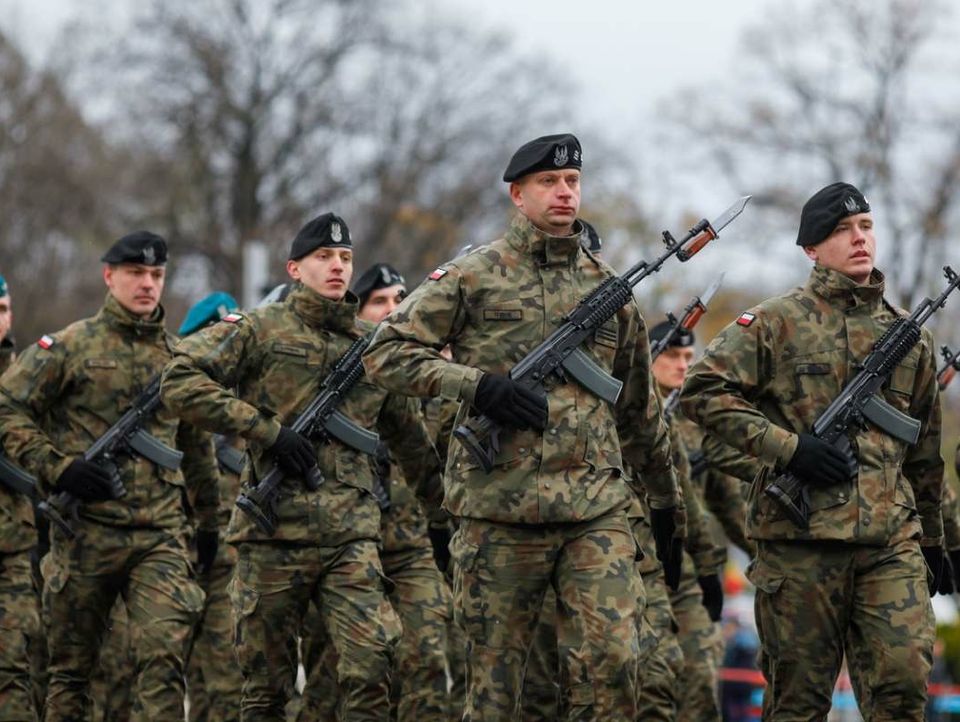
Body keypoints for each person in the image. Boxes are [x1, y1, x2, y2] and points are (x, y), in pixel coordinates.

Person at [363, 133, 682, 720]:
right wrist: (479, 386)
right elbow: (385, 354)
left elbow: (638, 411)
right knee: (496, 691)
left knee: (616, 664)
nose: (565, 193)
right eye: (549, 183)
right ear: (518, 194)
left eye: (573, 182)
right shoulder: (472, 276)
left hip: (594, 511)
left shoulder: (608, 291)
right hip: (497, 513)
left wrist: (666, 503)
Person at [161, 213, 442, 721]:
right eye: (323, 257)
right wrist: (265, 430)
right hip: (272, 535)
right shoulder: (258, 330)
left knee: (373, 666)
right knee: (266, 688)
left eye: (345, 258)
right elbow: (179, 378)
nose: (337, 266)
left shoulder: (373, 347)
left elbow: (412, 444)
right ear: (294, 268)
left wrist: (442, 520)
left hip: (350, 537)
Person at [681, 182, 944, 721]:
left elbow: (925, 455)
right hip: (799, 547)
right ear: (811, 249)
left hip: (888, 544)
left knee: (902, 687)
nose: (859, 239)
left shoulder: (909, 338)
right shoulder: (775, 323)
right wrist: (789, 448)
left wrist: (937, 543)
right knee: (797, 703)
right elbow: (702, 392)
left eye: (865, 227)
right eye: (842, 231)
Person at [0, 232, 218, 721]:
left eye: (156, 275)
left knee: (163, 659)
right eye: (136, 274)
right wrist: (58, 467)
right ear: (109, 276)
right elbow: (7, 407)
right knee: (71, 673)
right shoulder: (70, 347)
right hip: (86, 535)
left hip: (160, 538)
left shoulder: (180, 358)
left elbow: (196, 445)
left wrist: (209, 522)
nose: (147, 284)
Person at [297, 262, 456, 721]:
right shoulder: (330, 376)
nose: (392, 309)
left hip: (411, 547)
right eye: (380, 302)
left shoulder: (424, 376)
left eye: (398, 299)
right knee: (338, 679)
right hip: (342, 547)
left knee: (426, 658)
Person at [177, 291, 245, 722]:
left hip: (229, 565)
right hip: (175, 559)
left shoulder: (247, 407)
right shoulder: (171, 401)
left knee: (226, 684)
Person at [0, 273, 43, 722]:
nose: (0, 319)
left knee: (13, 666)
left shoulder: (28, 379)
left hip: (13, 548)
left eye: (3, 309)